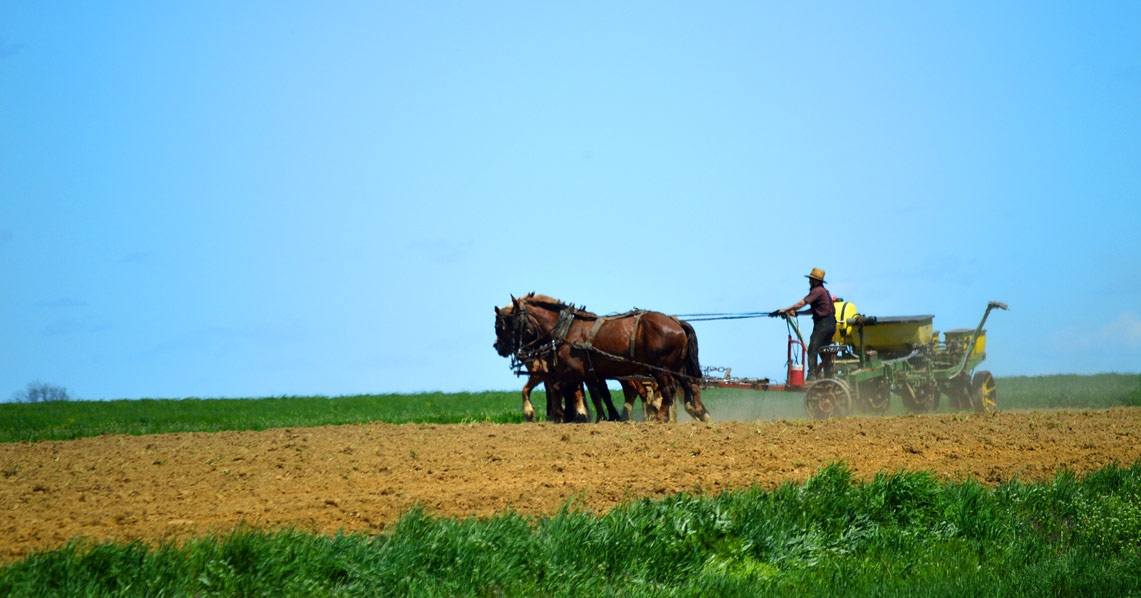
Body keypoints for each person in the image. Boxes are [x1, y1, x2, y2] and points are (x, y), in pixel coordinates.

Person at [772, 268, 836, 381]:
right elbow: (815, 310)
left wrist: (785, 309)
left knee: (812, 348)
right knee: (823, 351)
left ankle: (811, 377)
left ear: (814, 280)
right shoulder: (824, 292)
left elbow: (802, 303)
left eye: (810, 279)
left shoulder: (817, 291)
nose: (809, 282)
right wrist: (797, 313)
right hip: (830, 324)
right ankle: (829, 377)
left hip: (823, 324)